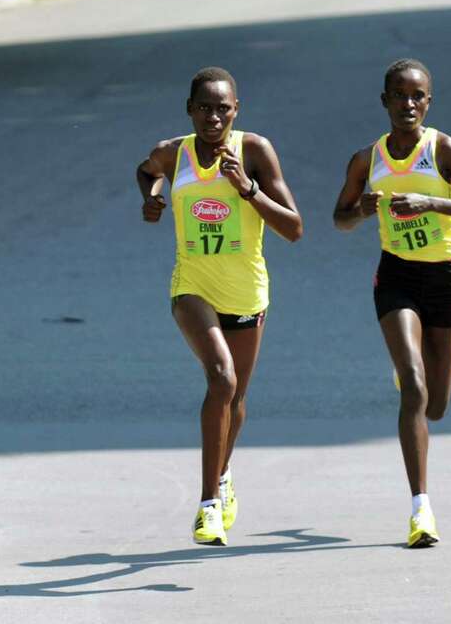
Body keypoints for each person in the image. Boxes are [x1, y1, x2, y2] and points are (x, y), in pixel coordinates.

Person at [332, 59, 451, 548]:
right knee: (413, 387)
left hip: (444, 280)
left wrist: (434, 203)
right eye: (399, 96)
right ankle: (420, 509)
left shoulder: (443, 150)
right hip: (397, 277)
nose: (408, 104)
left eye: (418, 96)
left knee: (438, 406)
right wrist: (360, 212)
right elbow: (339, 219)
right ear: (383, 101)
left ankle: (416, 379)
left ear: (429, 102)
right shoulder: (367, 159)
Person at [136, 67, 303, 546]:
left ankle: (224, 475)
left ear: (236, 110)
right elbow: (146, 173)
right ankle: (208, 505)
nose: (214, 117)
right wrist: (151, 197)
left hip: (247, 291)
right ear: (189, 110)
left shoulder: (253, 151)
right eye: (204, 108)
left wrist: (247, 189)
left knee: (237, 397)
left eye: (223, 108)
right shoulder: (174, 153)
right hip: (193, 286)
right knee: (221, 379)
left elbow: (293, 228)